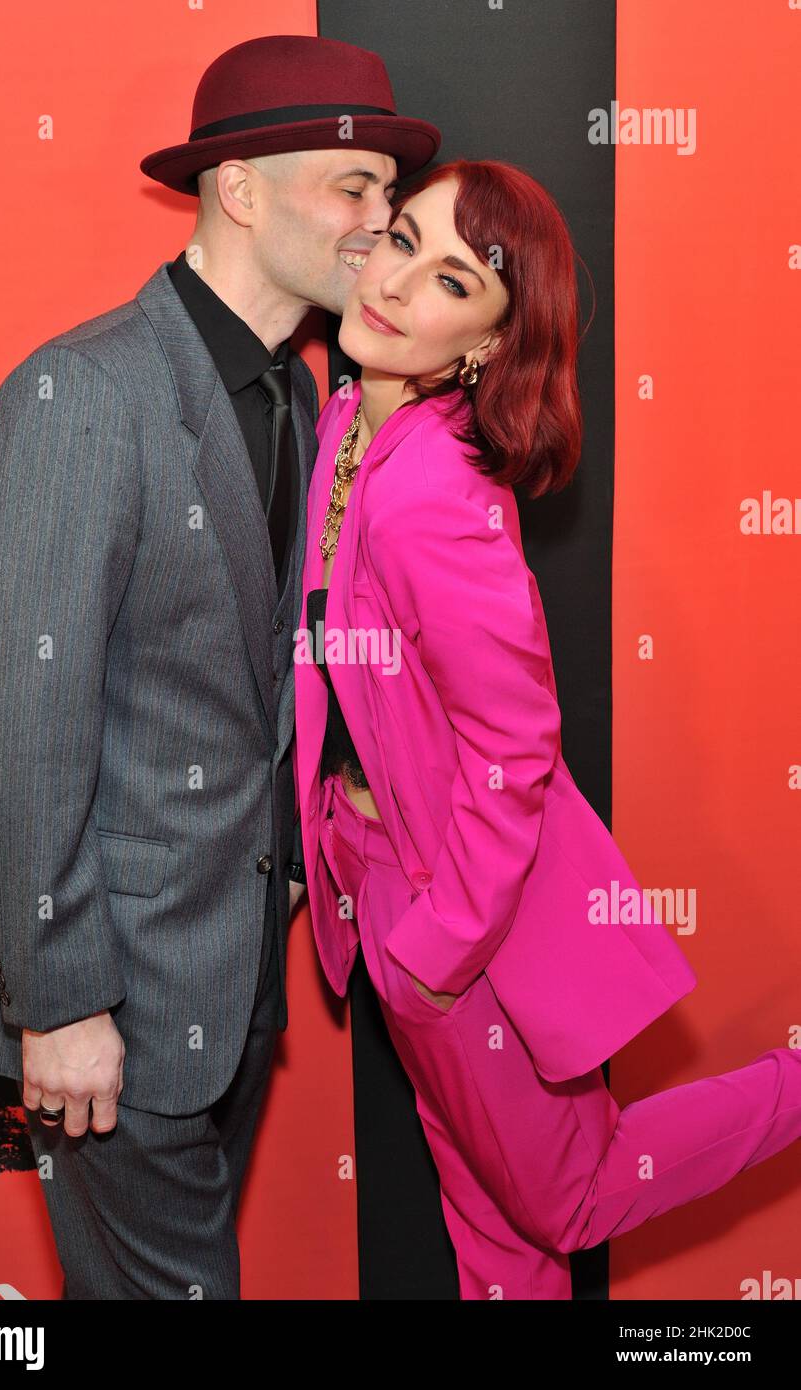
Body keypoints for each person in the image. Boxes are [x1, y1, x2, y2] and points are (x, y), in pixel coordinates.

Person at [0, 34, 440, 1299]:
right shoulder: (81, 394)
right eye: (353, 190)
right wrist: (59, 1005)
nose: (378, 226)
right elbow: (14, 716)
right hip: (107, 1000)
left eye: (387, 197)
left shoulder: (318, 391)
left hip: (227, 985)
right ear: (239, 189)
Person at [293, 157, 801, 1300]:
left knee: (567, 1196)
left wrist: (434, 949)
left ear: (481, 344)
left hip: (465, 922)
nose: (397, 283)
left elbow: (512, 749)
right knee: (490, 1216)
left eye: (454, 279)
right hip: (379, 880)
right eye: (403, 237)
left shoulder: (436, 493)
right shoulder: (341, 420)